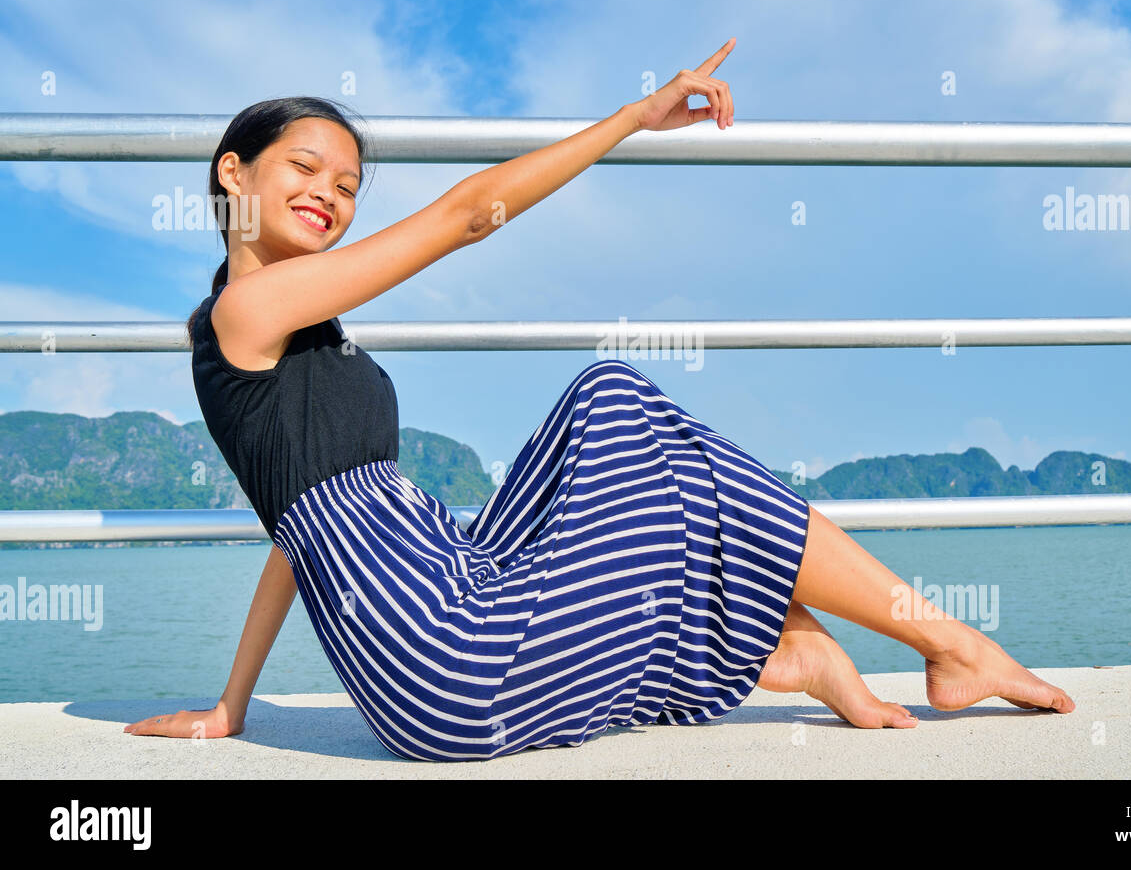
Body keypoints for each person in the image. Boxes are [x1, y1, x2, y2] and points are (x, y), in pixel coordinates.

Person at [125, 39, 1074, 761]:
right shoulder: (245, 307)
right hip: (438, 650)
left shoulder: (296, 335)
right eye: (304, 169)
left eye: (348, 185)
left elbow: (295, 540)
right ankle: (941, 641)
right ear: (232, 171)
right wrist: (632, 118)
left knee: (612, 400)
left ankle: (803, 651)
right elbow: (465, 217)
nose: (330, 196)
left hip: (451, 583)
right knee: (625, 411)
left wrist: (231, 708)